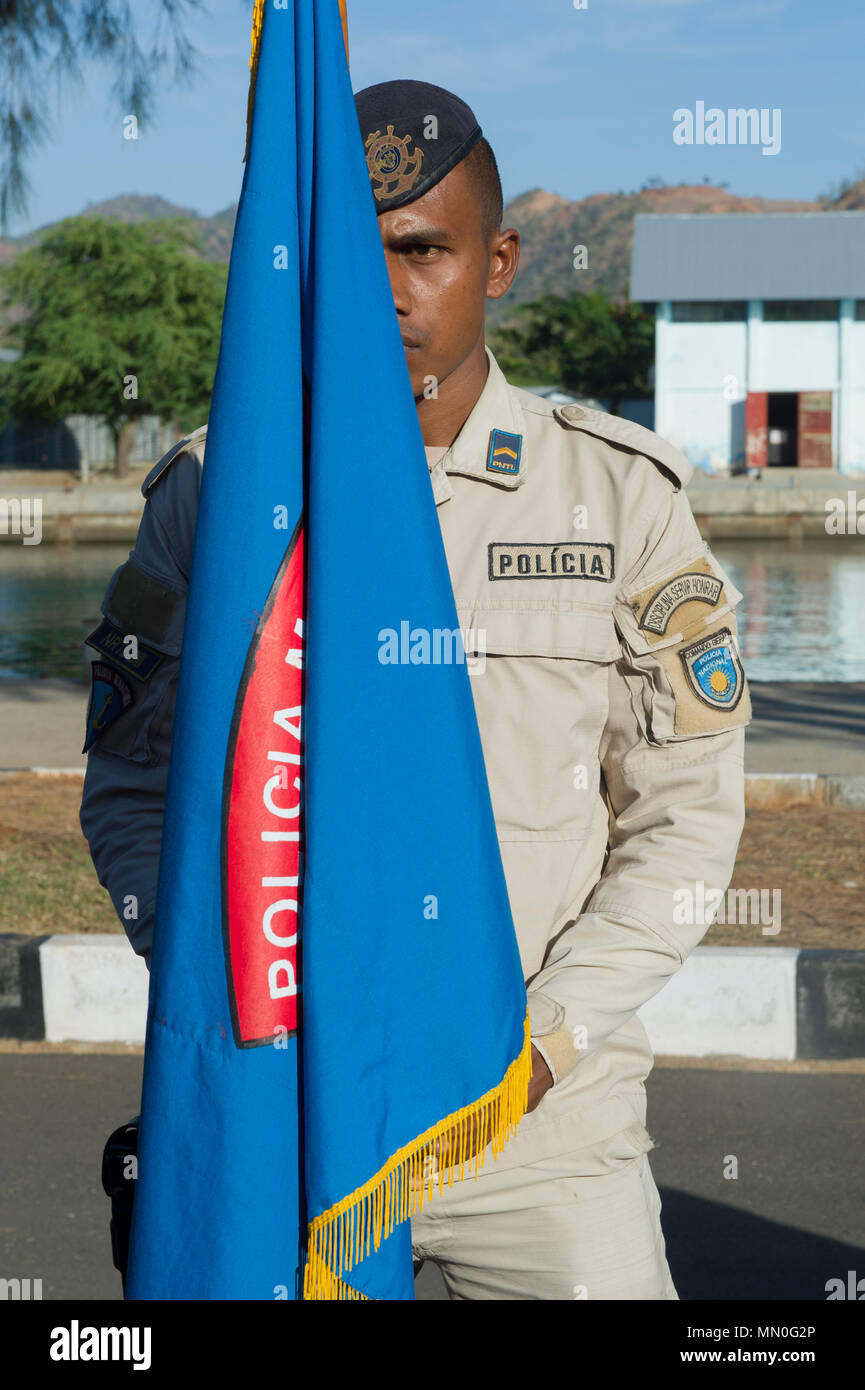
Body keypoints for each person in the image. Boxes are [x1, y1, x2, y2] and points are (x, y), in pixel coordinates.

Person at [80, 79, 750, 1301]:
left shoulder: (617, 495)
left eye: (422, 251)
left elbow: (685, 819)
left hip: (542, 1132)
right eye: (351, 254)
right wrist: (221, 987)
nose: (383, 290)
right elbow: (131, 785)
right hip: (286, 1116)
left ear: (496, 262)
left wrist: (542, 1045)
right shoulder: (214, 503)